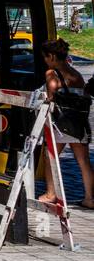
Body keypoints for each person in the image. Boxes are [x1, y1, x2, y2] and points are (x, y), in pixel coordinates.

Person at [36, 38, 94, 208]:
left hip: (60, 125)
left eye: (46, 58)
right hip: (79, 124)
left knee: (50, 156)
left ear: (52, 56)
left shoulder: (51, 74)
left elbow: (51, 96)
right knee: (83, 161)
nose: (45, 61)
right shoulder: (77, 75)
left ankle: (51, 194)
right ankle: (90, 198)